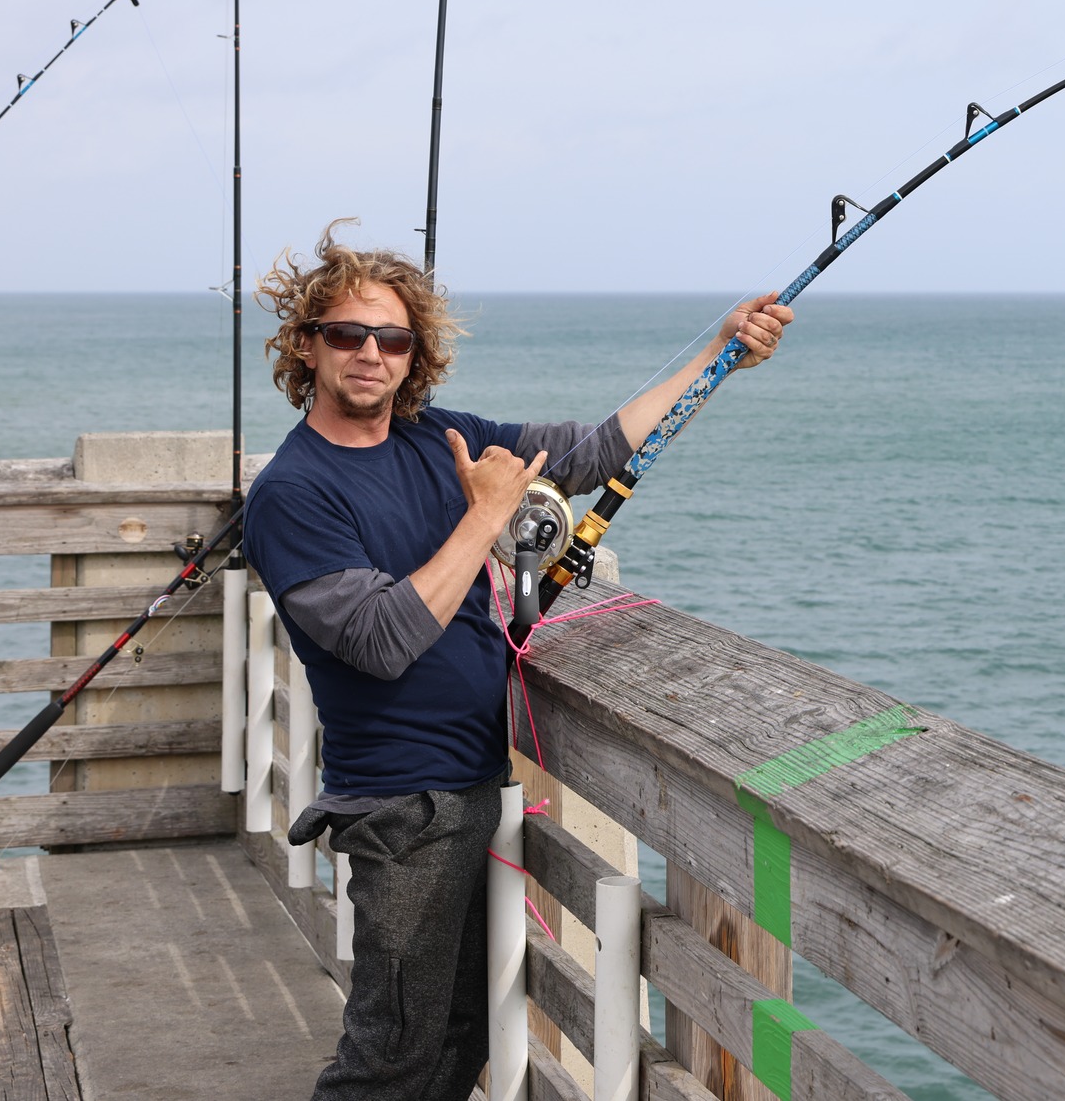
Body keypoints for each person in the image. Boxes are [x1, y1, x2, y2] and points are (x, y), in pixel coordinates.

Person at [243, 221, 791, 1100]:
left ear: (413, 356)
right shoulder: (291, 492)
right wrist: (485, 514)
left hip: (470, 788)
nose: (371, 354)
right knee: (390, 1055)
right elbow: (382, 641)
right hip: (401, 809)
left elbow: (595, 452)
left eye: (393, 339)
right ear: (307, 346)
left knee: (461, 1035)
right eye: (347, 334)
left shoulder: (439, 438)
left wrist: (717, 357)